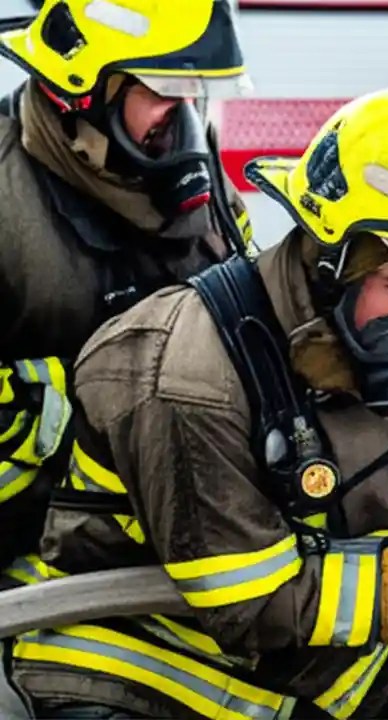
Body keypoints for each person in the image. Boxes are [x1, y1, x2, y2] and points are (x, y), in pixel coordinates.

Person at [5, 84, 388, 719]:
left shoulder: (362, 342)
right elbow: (248, 603)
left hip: (288, 684)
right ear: (331, 264)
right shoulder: (188, 374)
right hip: (136, 684)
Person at [0, 0, 256, 585]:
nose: (184, 119)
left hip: (164, 539)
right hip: (27, 560)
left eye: (193, 94)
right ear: (82, 88)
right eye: (165, 91)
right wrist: (87, 406)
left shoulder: (190, 178)